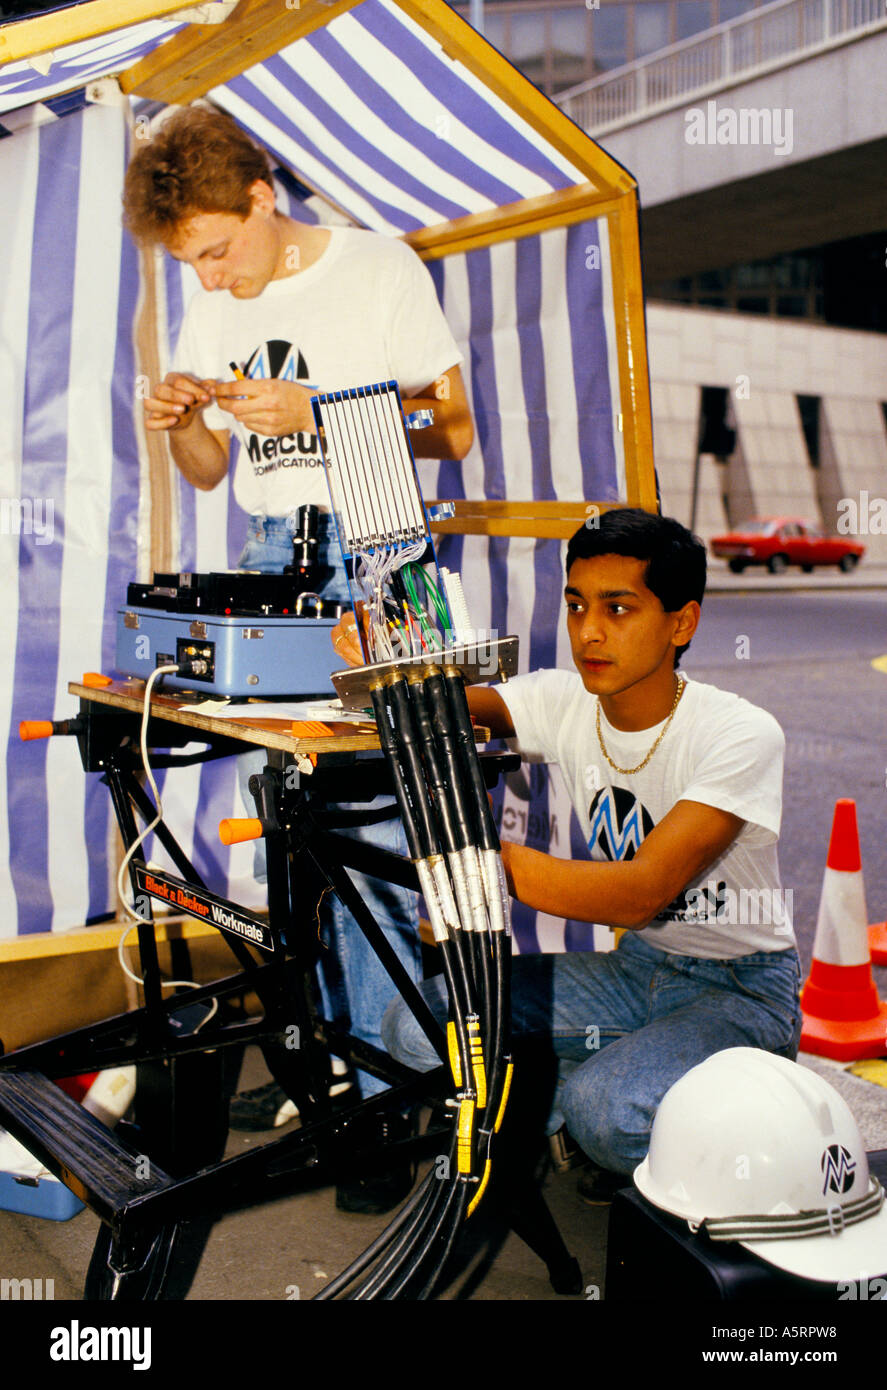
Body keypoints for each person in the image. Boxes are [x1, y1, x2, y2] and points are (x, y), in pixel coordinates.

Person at [122, 106, 473, 1209]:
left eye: (217, 251)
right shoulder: (212, 293)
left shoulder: (377, 269)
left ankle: (396, 1097)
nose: (211, 282)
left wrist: (325, 412)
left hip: (375, 551)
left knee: (373, 832)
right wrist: (171, 415)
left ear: (264, 199)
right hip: (271, 555)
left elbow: (452, 429)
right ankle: (322, 1059)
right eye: (190, 264)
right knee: (293, 824)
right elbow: (208, 472)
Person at [352, 508, 802, 1202]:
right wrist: (380, 675)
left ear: (680, 624)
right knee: (417, 1026)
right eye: (575, 605)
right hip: (637, 970)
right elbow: (440, 707)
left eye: (618, 608)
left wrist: (480, 863)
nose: (588, 630)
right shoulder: (563, 700)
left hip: (740, 990)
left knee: (606, 1108)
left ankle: (655, 1106)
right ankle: (596, 1105)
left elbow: (637, 894)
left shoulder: (738, 734)